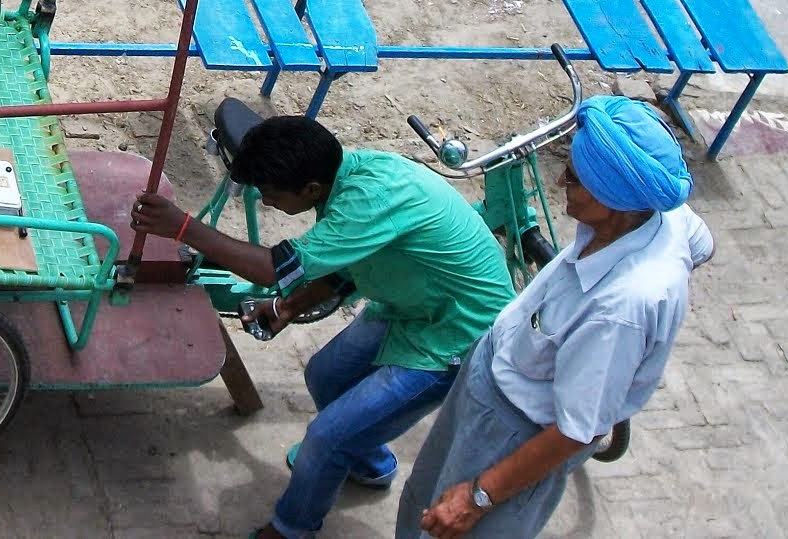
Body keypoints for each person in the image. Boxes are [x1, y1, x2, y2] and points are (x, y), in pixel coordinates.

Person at [129, 114, 515, 539]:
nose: (267, 203)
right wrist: (289, 306)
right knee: (325, 376)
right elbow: (347, 262)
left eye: (271, 194)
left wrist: (184, 227)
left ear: (311, 188)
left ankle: (291, 529)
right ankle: (368, 462)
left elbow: (272, 269)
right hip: (414, 303)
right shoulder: (349, 175)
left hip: (458, 334)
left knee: (325, 439)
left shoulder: (367, 200)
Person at [396, 96, 715, 539]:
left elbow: (576, 432)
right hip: (492, 369)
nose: (562, 180)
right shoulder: (659, 209)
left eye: (576, 179)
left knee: (449, 524)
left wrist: (478, 497)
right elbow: (703, 244)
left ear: (617, 203)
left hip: (513, 430)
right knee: (423, 498)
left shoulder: (621, 309)